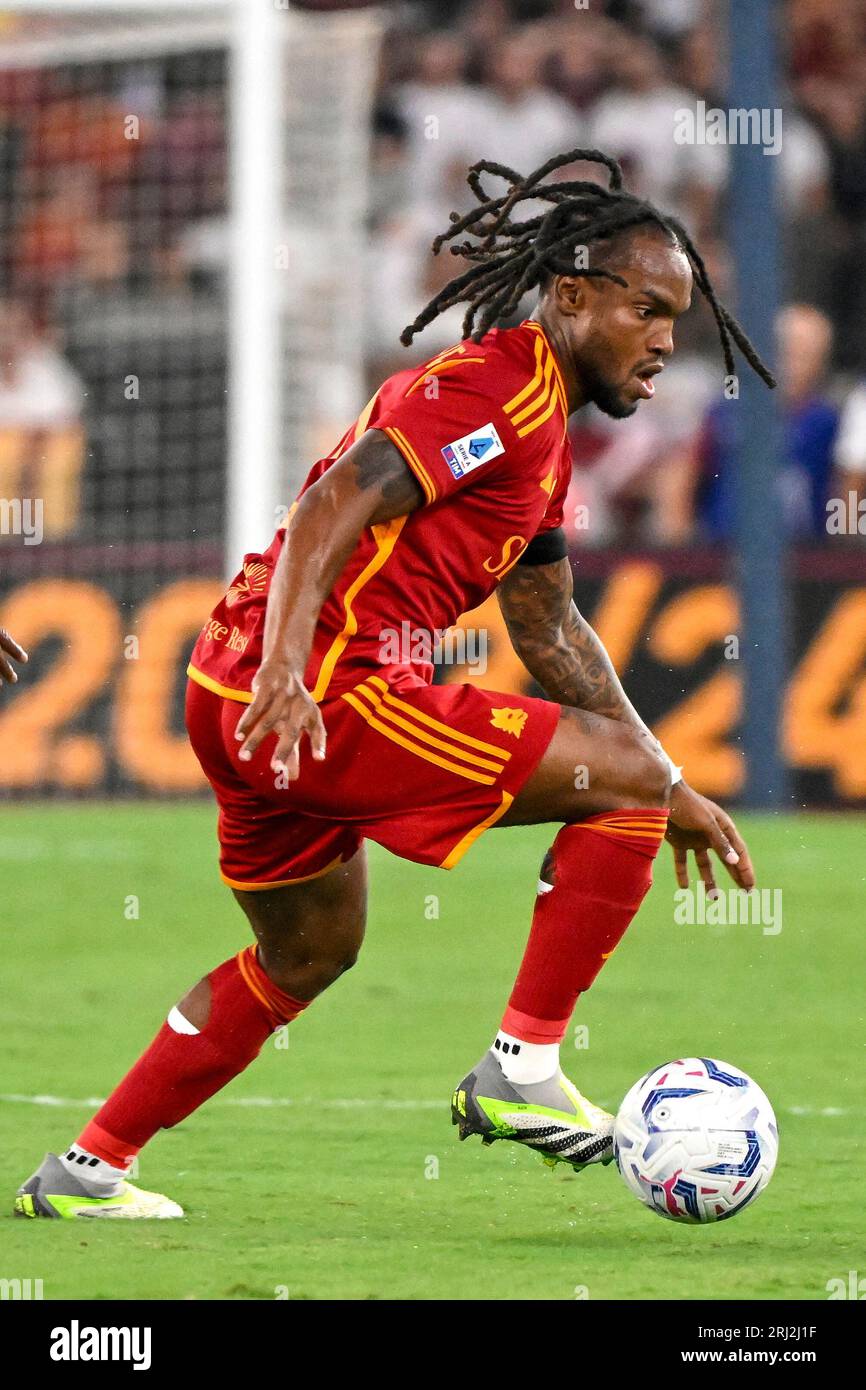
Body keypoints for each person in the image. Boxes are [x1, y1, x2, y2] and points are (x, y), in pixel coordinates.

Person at [16, 149, 769, 1220]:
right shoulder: (496, 389)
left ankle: (83, 1173)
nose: (662, 343)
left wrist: (662, 778)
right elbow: (333, 502)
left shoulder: (538, 425)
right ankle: (521, 1066)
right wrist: (292, 671)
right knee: (617, 780)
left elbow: (549, 628)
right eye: (646, 310)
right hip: (325, 687)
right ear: (569, 293)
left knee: (308, 949)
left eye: (676, 323)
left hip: (229, 692)